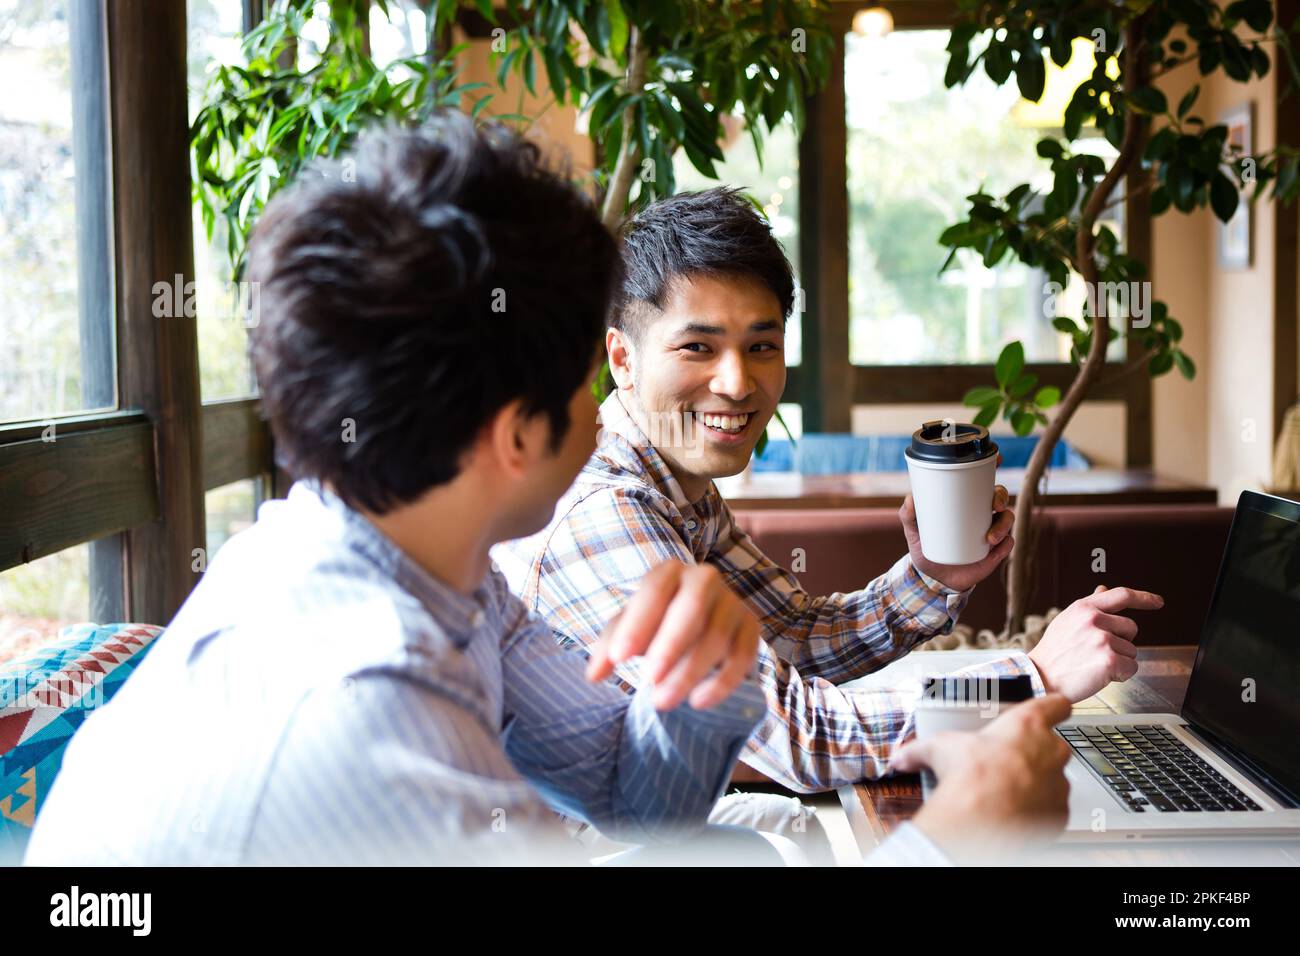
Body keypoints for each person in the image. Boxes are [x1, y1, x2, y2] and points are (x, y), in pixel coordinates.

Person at [493, 187, 1164, 812]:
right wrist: (1033, 677)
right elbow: (803, 740)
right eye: (698, 347)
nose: (737, 382)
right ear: (623, 359)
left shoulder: (675, 483)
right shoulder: (605, 511)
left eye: (762, 346)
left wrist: (931, 577)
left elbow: (796, 638)